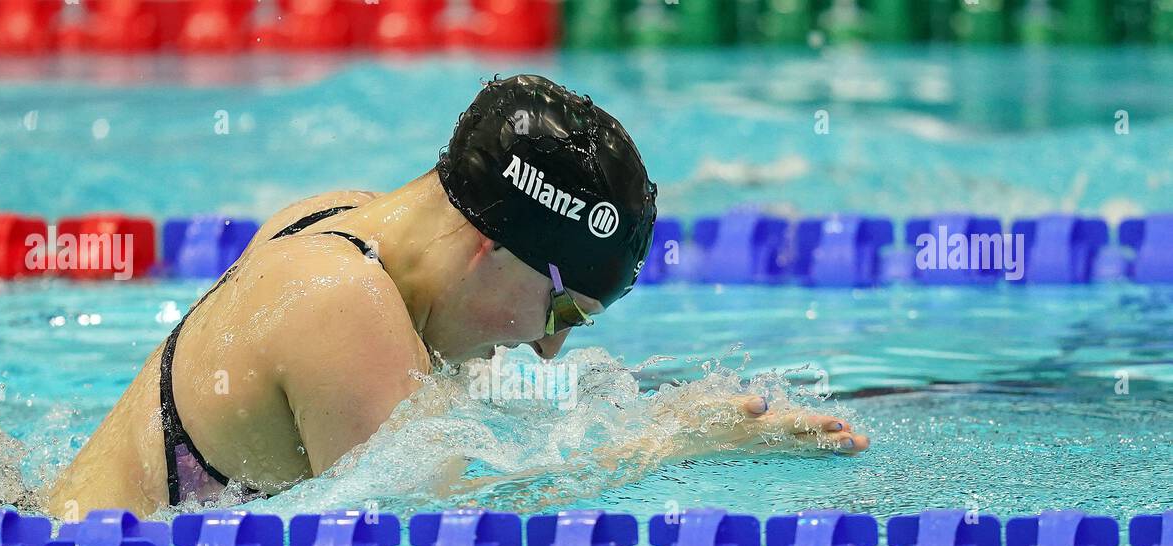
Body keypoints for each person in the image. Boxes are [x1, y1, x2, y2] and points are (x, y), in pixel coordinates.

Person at [47, 74, 868, 518]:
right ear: (493, 249)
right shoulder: (344, 303)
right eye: (559, 313)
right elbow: (435, 539)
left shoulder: (330, 223)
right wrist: (670, 445)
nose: (548, 347)